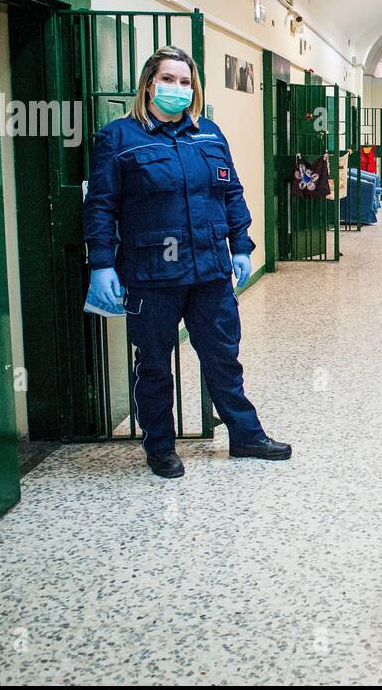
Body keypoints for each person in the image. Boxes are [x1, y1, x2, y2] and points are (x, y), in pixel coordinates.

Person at [83, 45, 291, 478]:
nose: (178, 89)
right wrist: (101, 263)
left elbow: (231, 192)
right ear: (149, 84)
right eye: (168, 80)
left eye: (185, 81)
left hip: (210, 268)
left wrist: (242, 246)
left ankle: (246, 436)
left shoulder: (209, 134)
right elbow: (101, 206)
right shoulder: (119, 138)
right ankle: (160, 446)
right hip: (152, 273)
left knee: (223, 356)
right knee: (155, 361)